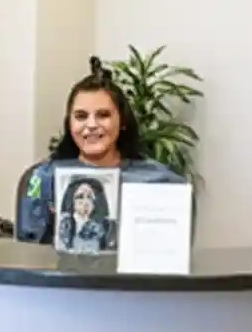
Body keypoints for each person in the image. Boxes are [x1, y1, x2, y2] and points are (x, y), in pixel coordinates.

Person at [16, 56, 185, 245]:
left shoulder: (161, 182)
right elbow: (28, 253)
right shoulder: (43, 178)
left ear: (122, 122)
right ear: (69, 124)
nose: (91, 125)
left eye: (103, 115)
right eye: (81, 116)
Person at [56, 175, 116, 253]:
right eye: (80, 197)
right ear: (72, 201)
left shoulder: (107, 225)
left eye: (89, 197)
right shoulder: (65, 224)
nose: (85, 202)